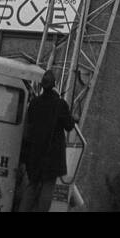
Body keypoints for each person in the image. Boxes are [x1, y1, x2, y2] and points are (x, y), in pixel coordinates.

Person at [18, 70, 75, 212]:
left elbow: (30, 125)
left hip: (35, 154)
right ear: (54, 85)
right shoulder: (60, 104)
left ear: (42, 86)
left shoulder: (35, 103)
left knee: (32, 186)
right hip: (52, 156)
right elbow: (69, 126)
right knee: (47, 188)